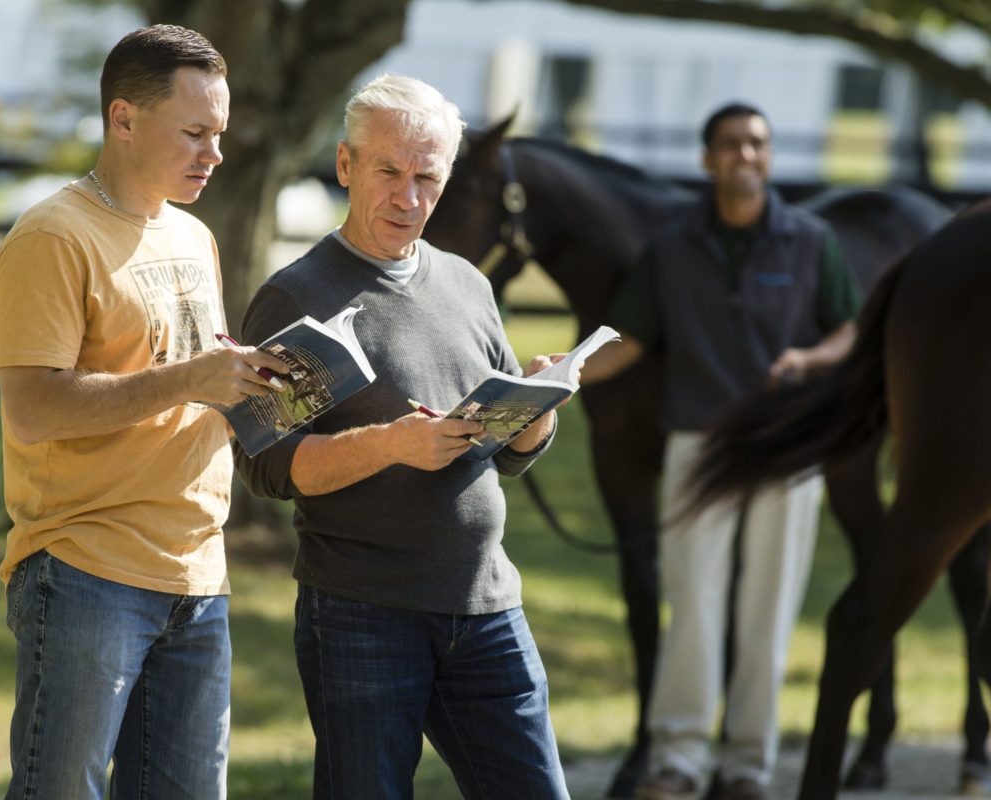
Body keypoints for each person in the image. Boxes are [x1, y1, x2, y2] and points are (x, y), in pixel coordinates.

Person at [234, 74, 571, 799]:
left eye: (427, 177)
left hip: (487, 606)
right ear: (347, 165)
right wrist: (389, 445)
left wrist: (534, 414)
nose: (407, 197)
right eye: (388, 171)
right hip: (363, 612)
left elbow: (506, 452)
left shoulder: (466, 284)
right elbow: (267, 467)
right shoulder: (300, 296)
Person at [0, 25, 287, 800]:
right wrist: (190, 378)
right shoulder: (54, 236)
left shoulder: (194, 234)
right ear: (123, 119)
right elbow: (33, 408)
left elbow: (197, 383)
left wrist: (267, 390)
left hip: (198, 570)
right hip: (86, 568)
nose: (213, 154)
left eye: (218, 134)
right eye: (194, 132)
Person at [577, 102, 863, 800]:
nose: (746, 155)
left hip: (785, 446)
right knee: (693, 604)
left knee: (769, 611)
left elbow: (851, 329)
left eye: (758, 144)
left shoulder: (809, 240)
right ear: (708, 160)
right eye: (731, 145)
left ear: (769, 157)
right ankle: (677, 760)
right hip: (698, 443)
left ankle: (747, 768)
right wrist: (566, 370)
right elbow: (632, 338)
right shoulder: (672, 247)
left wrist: (808, 357)